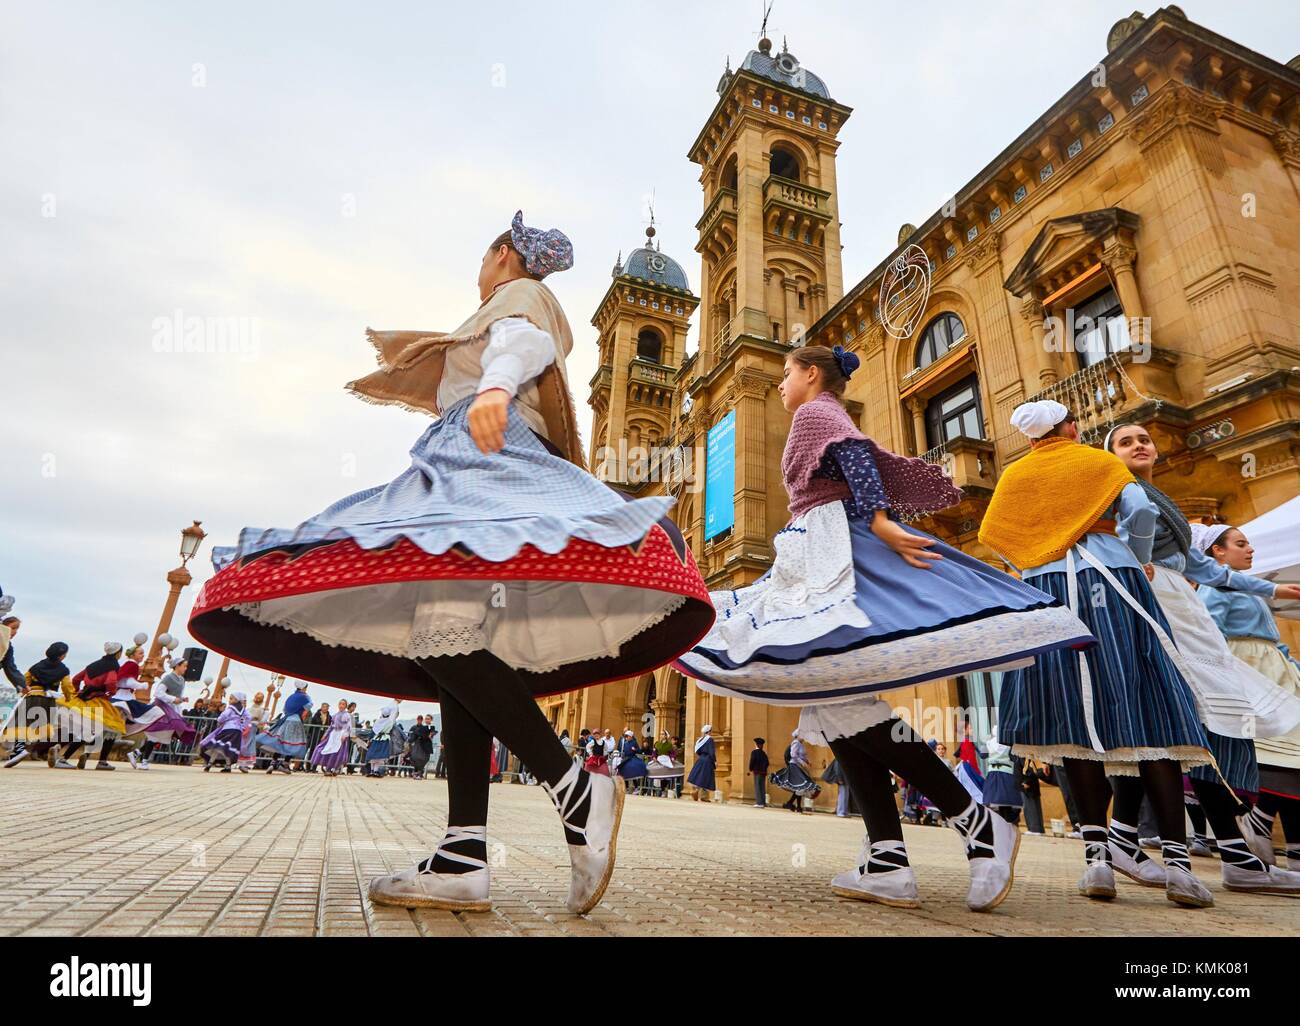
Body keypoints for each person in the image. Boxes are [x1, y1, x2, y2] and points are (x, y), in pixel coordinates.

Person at [189, 213, 713, 916]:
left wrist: (494, 389)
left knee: (444, 636)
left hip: (477, 469)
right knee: (455, 645)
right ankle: (464, 855)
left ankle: (574, 791)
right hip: (465, 466)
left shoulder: (520, 298)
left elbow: (521, 343)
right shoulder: (501, 305)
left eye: (485, 251)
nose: (481, 264)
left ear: (503, 255)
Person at [677, 347, 1092, 912]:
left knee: (837, 697)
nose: (781, 385)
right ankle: (889, 860)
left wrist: (878, 522)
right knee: (835, 697)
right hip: (817, 548)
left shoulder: (816, 411)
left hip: (834, 553)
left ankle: (976, 827)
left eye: (787, 374)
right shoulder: (814, 411)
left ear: (812, 374)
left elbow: (855, 459)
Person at [980, 400, 1215, 908]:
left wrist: (1035, 554)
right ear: (1069, 427)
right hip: (1113, 580)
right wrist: (1137, 554)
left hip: (1046, 593)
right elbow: (1143, 512)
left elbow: (992, 534)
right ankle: (1178, 867)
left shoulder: (1016, 476)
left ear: (1030, 438)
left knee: (1069, 719)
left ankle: (1097, 863)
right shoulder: (1098, 461)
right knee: (1152, 708)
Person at [1103, 424, 1300, 895]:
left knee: (1204, 728)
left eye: (1144, 438)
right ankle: (1131, 837)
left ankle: (1217, 850)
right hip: (1145, 609)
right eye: (1126, 441)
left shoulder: (1162, 503)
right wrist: (1133, 561)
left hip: (1183, 614)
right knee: (1178, 727)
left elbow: (1208, 570)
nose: (1140, 445)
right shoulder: (1110, 495)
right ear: (1108, 456)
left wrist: (1272, 588)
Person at [1198, 523, 1300, 874]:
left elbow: (1273, 638)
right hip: (1248, 670)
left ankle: (1262, 822)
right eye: (1240, 544)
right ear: (1217, 551)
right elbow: (1210, 632)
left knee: (1289, 753)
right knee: (1278, 753)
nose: (1250, 549)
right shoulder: (1218, 586)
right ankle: (1261, 823)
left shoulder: (1250, 588)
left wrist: (1291, 664)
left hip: (1274, 669)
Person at [3, 641, 72, 769]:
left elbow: (25, 680)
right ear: (62, 655)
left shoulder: (36, 666)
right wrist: (69, 699)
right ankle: (45, 751)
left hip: (32, 697)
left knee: (22, 723)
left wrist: (25, 689)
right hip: (48, 700)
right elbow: (67, 686)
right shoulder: (63, 670)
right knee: (42, 727)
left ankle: (18, 750)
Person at [124, 657, 197, 769]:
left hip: (173, 709)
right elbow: (158, 693)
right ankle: (143, 760)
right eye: (184, 666)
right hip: (163, 708)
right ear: (177, 666)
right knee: (156, 734)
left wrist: (182, 699)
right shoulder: (168, 678)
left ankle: (137, 754)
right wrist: (173, 699)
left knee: (161, 735)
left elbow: (177, 695)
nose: (186, 668)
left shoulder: (181, 680)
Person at [257, 681, 312, 773]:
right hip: (296, 722)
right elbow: (308, 706)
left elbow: (284, 709)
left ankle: (273, 763)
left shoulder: (290, 697)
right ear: (303, 688)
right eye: (306, 687)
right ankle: (284, 765)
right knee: (293, 744)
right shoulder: (305, 697)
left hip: (286, 720)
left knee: (281, 742)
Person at [200, 692, 251, 772]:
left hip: (228, 729)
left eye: (231, 698)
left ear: (237, 699)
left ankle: (209, 764)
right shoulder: (243, 710)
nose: (229, 700)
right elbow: (249, 718)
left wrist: (219, 720)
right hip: (237, 731)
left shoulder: (231, 708)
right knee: (228, 749)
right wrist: (243, 725)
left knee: (218, 746)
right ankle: (227, 766)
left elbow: (223, 716)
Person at [771, 731, 821, 813]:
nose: (804, 738)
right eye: (803, 735)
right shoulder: (796, 743)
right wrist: (802, 762)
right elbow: (793, 754)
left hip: (799, 766)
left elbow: (802, 756)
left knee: (799, 787)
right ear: (798, 736)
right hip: (794, 766)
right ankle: (794, 805)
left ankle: (793, 804)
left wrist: (807, 762)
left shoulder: (800, 744)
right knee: (801, 786)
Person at [309, 700, 354, 777]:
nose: (341, 705)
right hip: (333, 735)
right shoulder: (335, 715)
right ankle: (328, 769)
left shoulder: (347, 715)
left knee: (338, 753)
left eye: (343, 704)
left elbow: (349, 726)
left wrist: (345, 734)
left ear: (346, 706)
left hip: (341, 735)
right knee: (328, 750)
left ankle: (335, 768)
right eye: (340, 704)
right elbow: (331, 726)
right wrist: (325, 735)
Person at [687, 724, 716, 801]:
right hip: (708, 760)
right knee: (706, 777)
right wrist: (715, 761)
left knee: (699, 776)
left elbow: (697, 751)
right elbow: (711, 752)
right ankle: (703, 796)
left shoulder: (700, 740)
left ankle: (696, 791)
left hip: (700, 759)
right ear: (709, 731)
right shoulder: (710, 739)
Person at [407, 715, 435, 780]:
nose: (427, 720)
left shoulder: (432, 727)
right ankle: (417, 773)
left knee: (425, 759)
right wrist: (410, 740)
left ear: (431, 720)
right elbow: (415, 734)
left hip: (427, 746)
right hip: (419, 745)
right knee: (416, 758)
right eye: (426, 719)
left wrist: (430, 735)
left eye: (428, 719)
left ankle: (418, 773)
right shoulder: (421, 727)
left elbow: (431, 734)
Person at [749, 737, 770, 808]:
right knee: (762, 787)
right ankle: (763, 802)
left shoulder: (754, 752)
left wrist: (750, 769)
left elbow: (752, 761)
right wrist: (764, 768)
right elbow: (767, 763)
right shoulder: (764, 753)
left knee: (757, 786)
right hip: (763, 772)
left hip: (757, 772)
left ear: (756, 744)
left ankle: (759, 802)